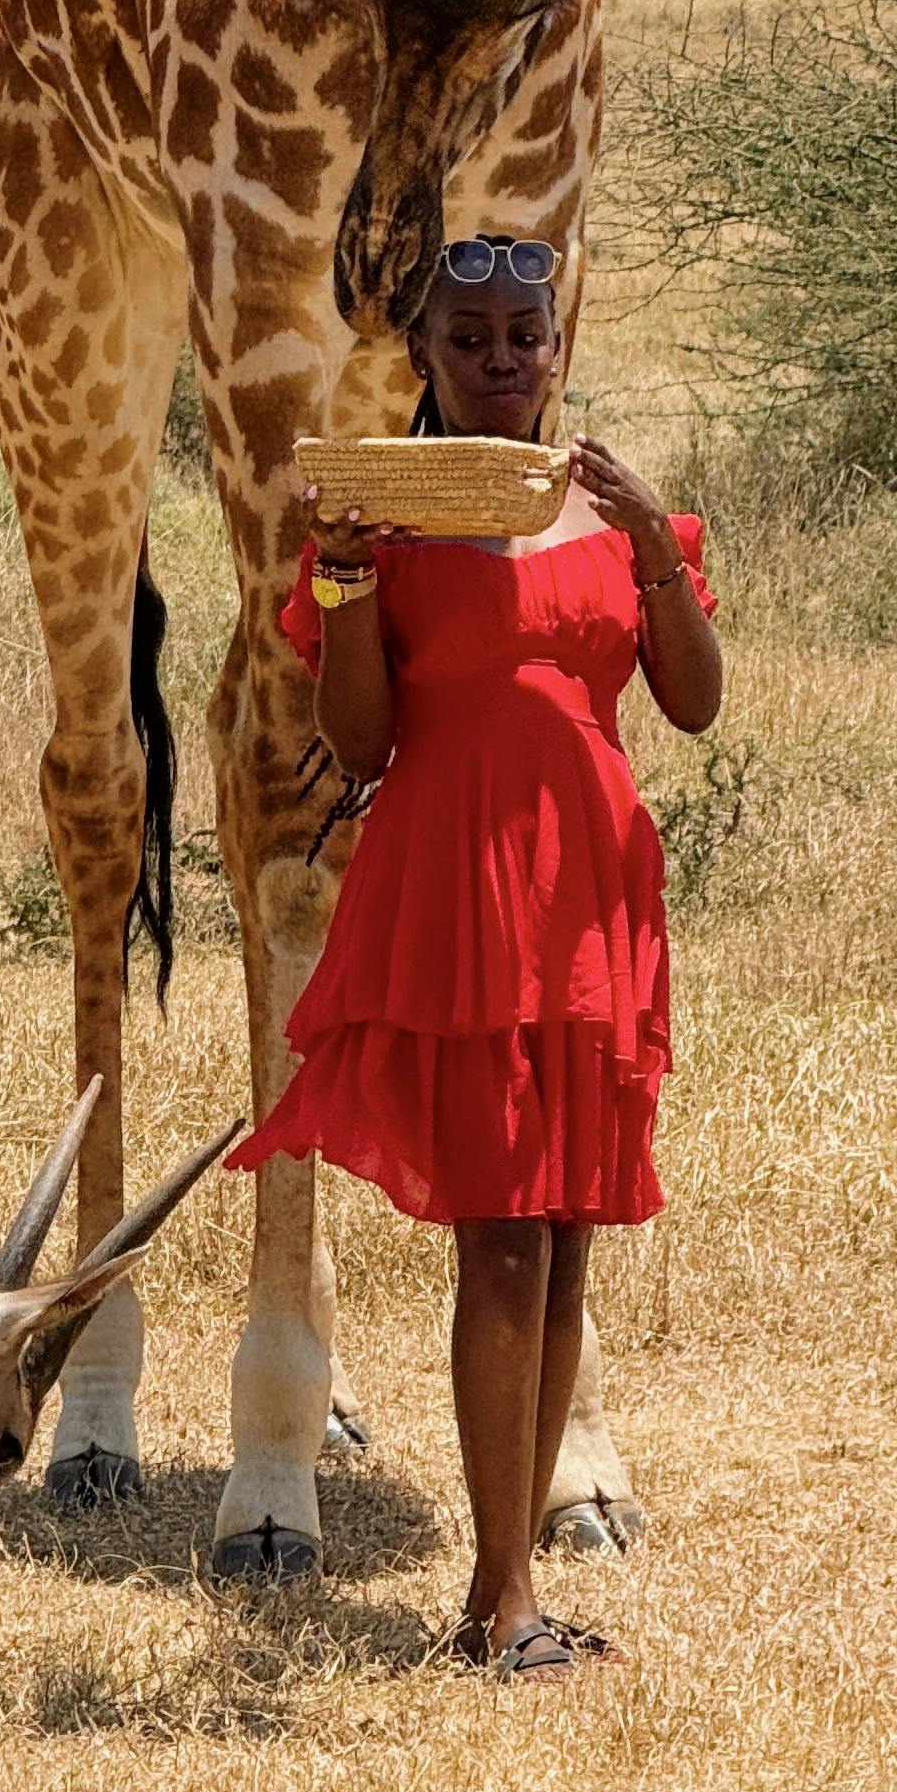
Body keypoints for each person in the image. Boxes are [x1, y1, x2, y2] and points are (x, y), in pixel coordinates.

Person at [232, 235, 722, 1680]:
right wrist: (342, 581)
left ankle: (509, 1589)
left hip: (592, 894)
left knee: (563, 1240)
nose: (502, 360)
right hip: (458, 889)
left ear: (556, 344)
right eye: (471, 339)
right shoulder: (384, 516)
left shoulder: (611, 513)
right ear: (426, 358)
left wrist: (652, 543)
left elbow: (692, 703)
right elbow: (361, 742)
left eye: (525, 334)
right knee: (504, 1233)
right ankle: (501, 1599)